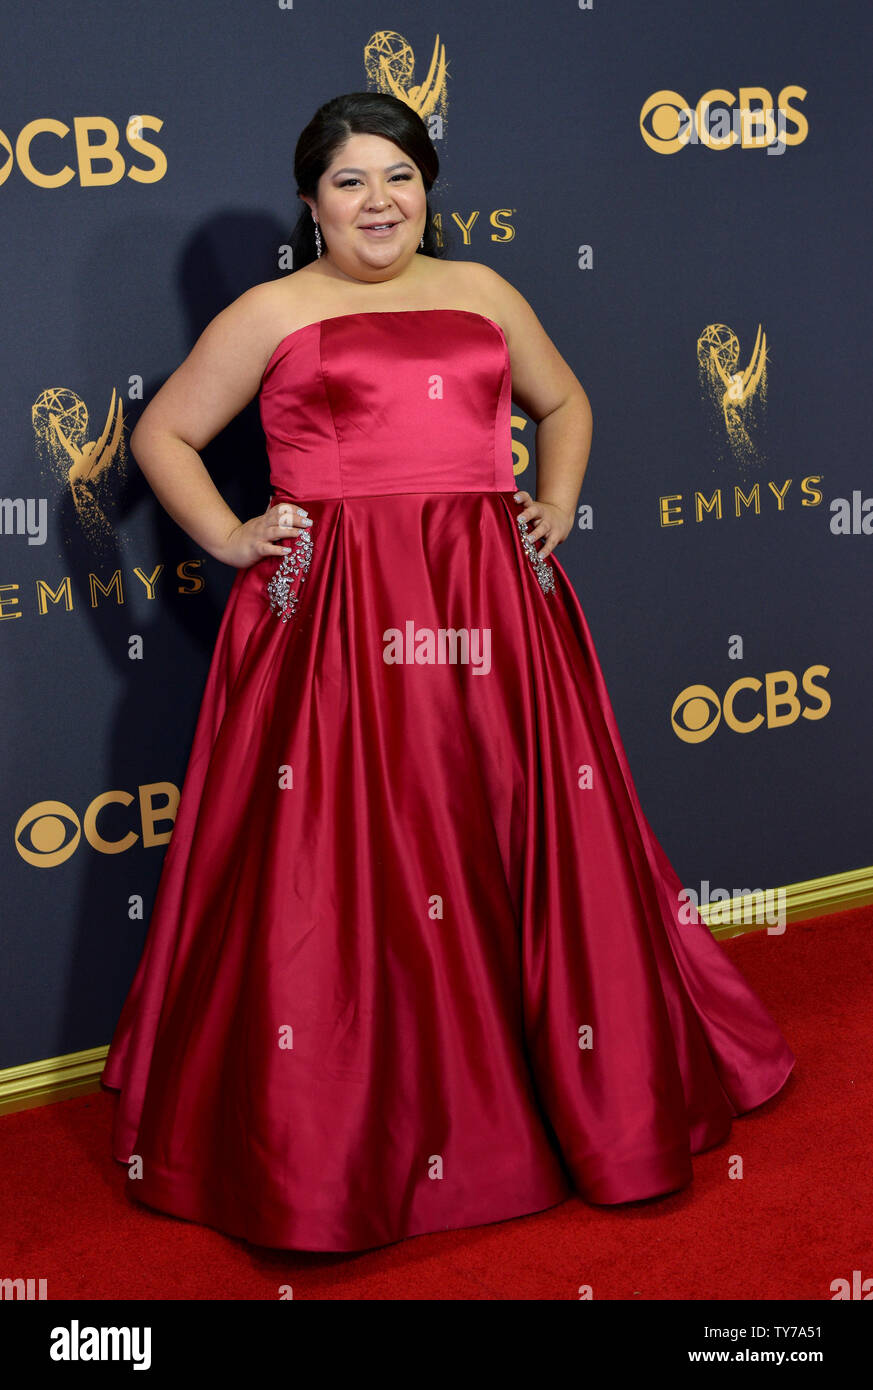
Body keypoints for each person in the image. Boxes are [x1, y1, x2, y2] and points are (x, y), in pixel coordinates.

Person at [102, 91, 794, 1254]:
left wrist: (556, 504)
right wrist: (234, 538)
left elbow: (565, 400)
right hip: (337, 619)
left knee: (510, 836)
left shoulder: (483, 294)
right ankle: (347, 1140)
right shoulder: (272, 310)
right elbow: (161, 434)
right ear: (311, 201)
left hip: (490, 609)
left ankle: (567, 1100)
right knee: (352, 859)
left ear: (429, 187)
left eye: (400, 177)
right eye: (351, 181)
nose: (380, 201)